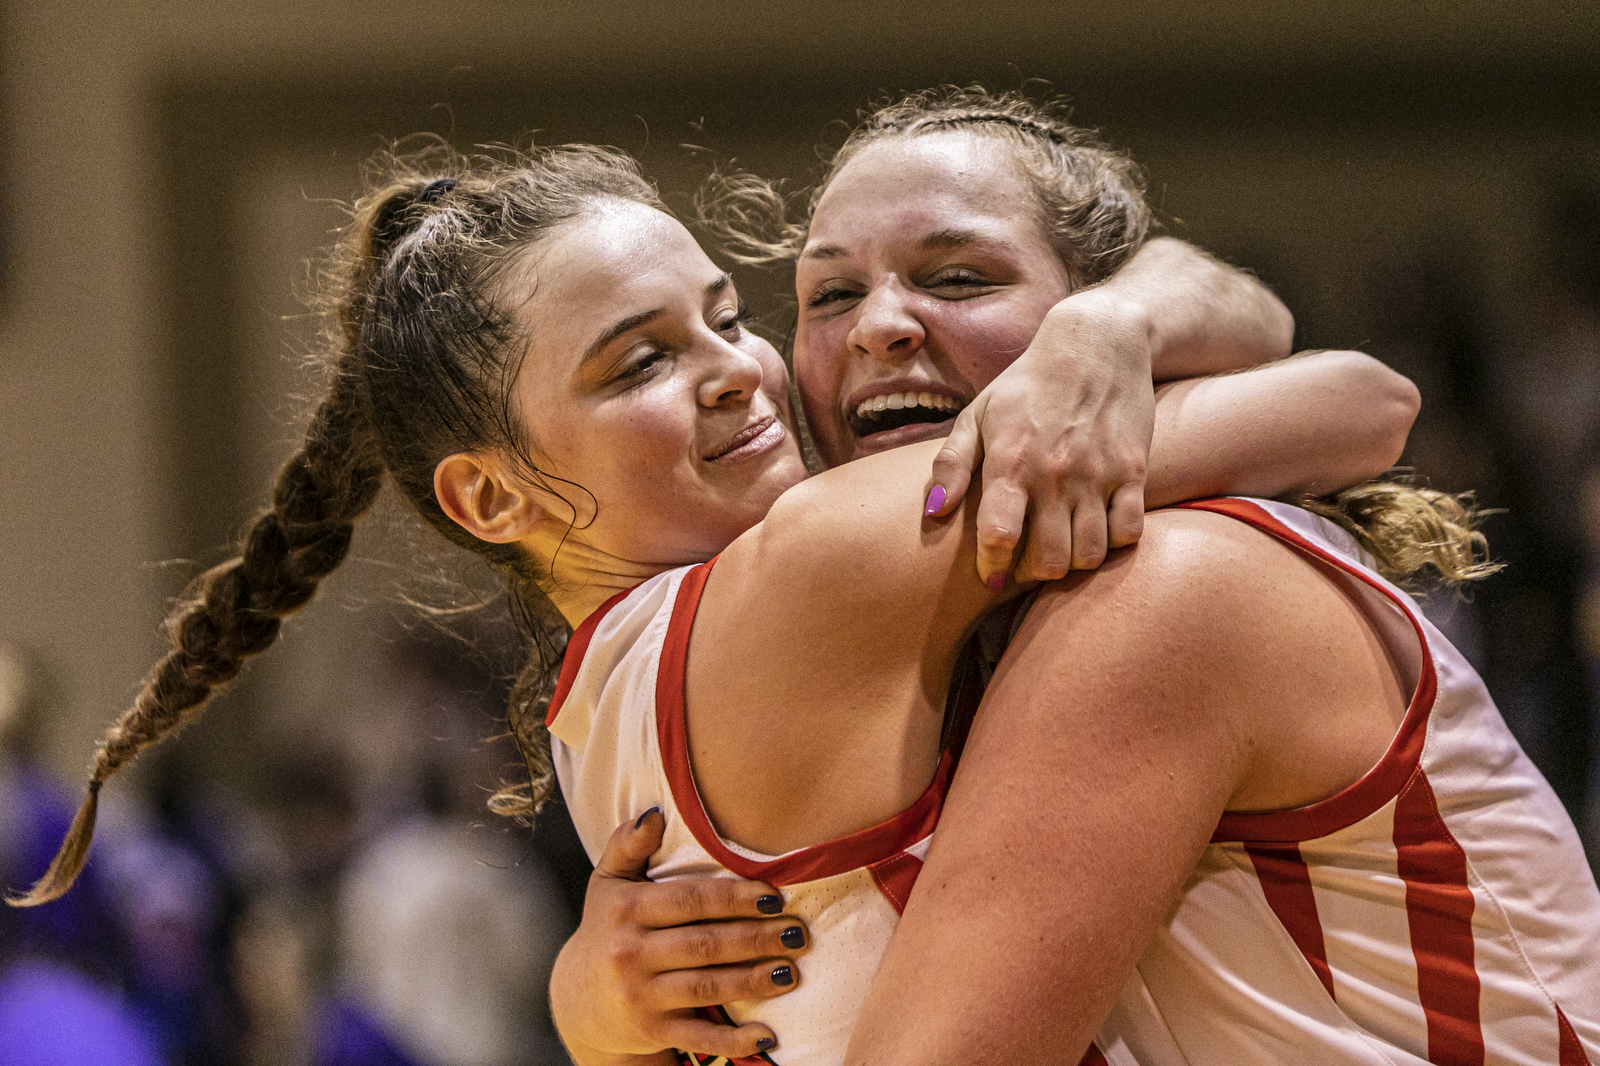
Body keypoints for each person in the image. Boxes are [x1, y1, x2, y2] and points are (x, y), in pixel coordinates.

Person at [14, 94, 1410, 1060]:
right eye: (641, 361)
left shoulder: (598, 702)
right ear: (490, 494)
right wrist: (1102, 348)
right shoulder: (815, 572)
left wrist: (587, 1012)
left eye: (727, 317)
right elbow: (1351, 400)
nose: (739, 373)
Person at [546, 89, 1600, 1066]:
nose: (878, 325)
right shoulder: (916, 631)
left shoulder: (1170, 581)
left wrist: (1112, 328)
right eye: (828, 294)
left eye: (958, 277)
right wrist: (598, 1010)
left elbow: (1369, 402)